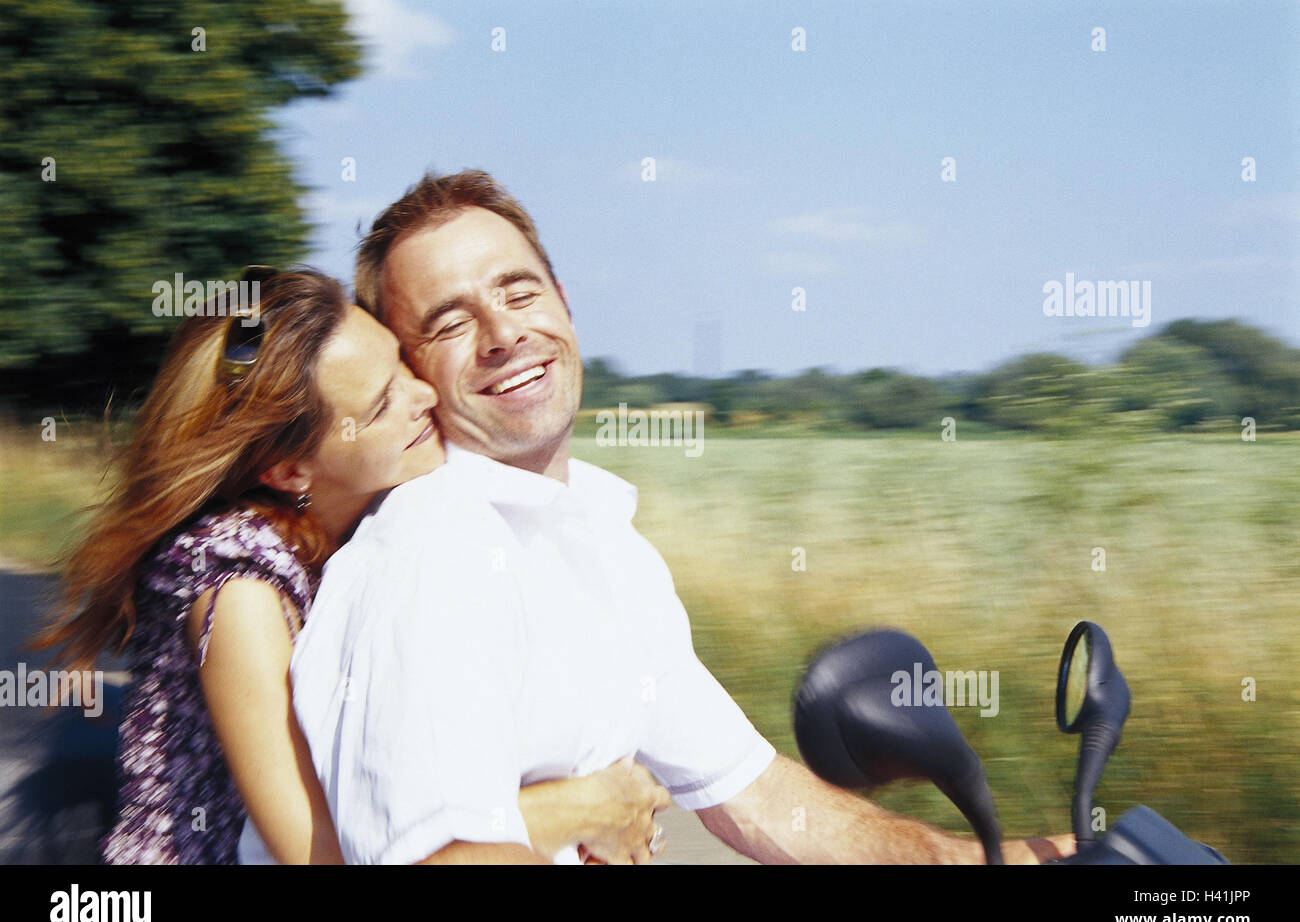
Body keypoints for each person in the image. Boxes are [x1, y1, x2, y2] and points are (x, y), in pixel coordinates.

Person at [287, 170, 1077, 864]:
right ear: (411, 369)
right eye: (450, 323)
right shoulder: (434, 550)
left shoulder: (598, 542)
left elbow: (758, 799)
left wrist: (1010, 859)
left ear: (564, 304)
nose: (503, 335)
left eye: (519, 291)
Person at [30, 267, 671, 864]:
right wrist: (577, 808)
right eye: (381, 404)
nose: (424, 395)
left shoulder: (361, 531)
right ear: (289, 471)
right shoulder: (241, 597)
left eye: (401, 364)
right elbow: (320, 853)